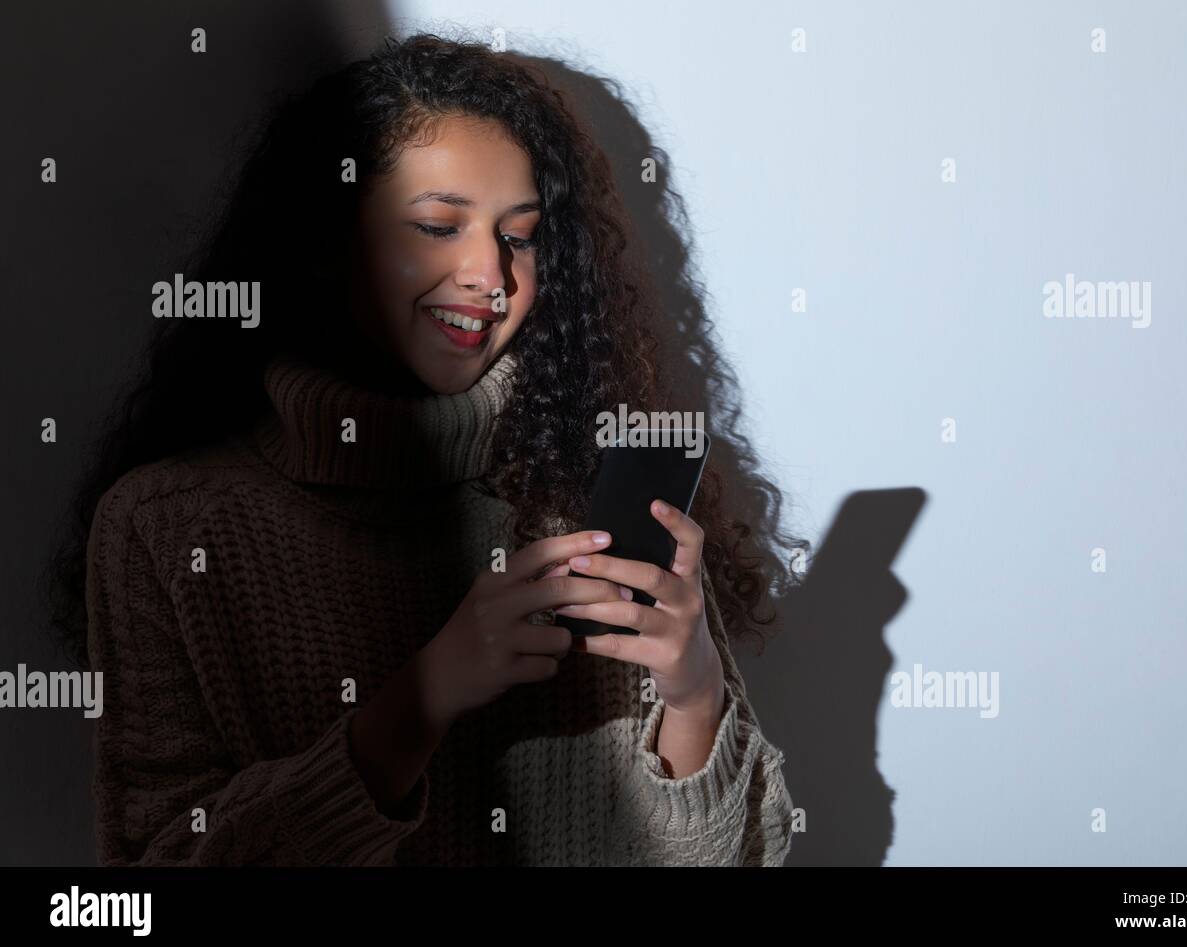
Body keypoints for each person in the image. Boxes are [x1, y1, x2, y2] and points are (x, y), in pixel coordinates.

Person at [48, 33, 798, 866]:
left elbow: (747, 853)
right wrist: (418, 703)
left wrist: (694, 695)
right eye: (439, 226)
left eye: (520, 236)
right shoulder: (166, 525)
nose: (491, 274)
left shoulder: (589, 497)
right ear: (329, 243)